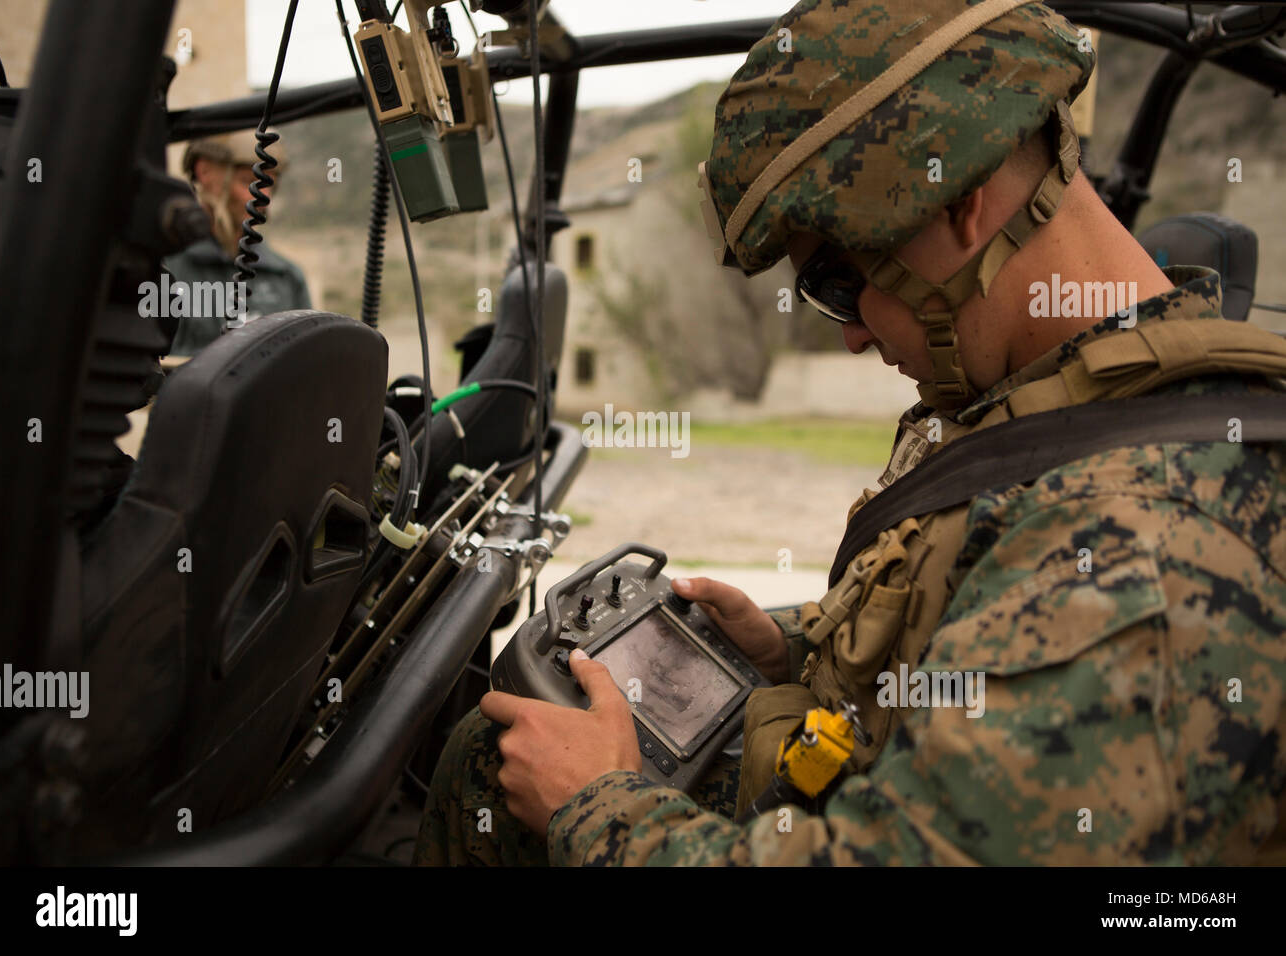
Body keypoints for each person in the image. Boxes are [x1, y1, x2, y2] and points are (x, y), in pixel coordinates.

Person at [413, 0, 1286, 865]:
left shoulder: (1142, 539)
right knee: (495, 755)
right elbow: (973, 625)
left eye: (839, 281)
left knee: (501, 774)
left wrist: (596, 811)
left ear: (958, 197)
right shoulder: (1055, 398)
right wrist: (796, 645)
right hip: (860, 765)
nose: (851, 334)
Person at [166, 130, 312, 356]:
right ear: (205, 172)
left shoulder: (286, 277)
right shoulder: (166, 269)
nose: (264, 197)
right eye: (250, 181)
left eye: (269, 184)